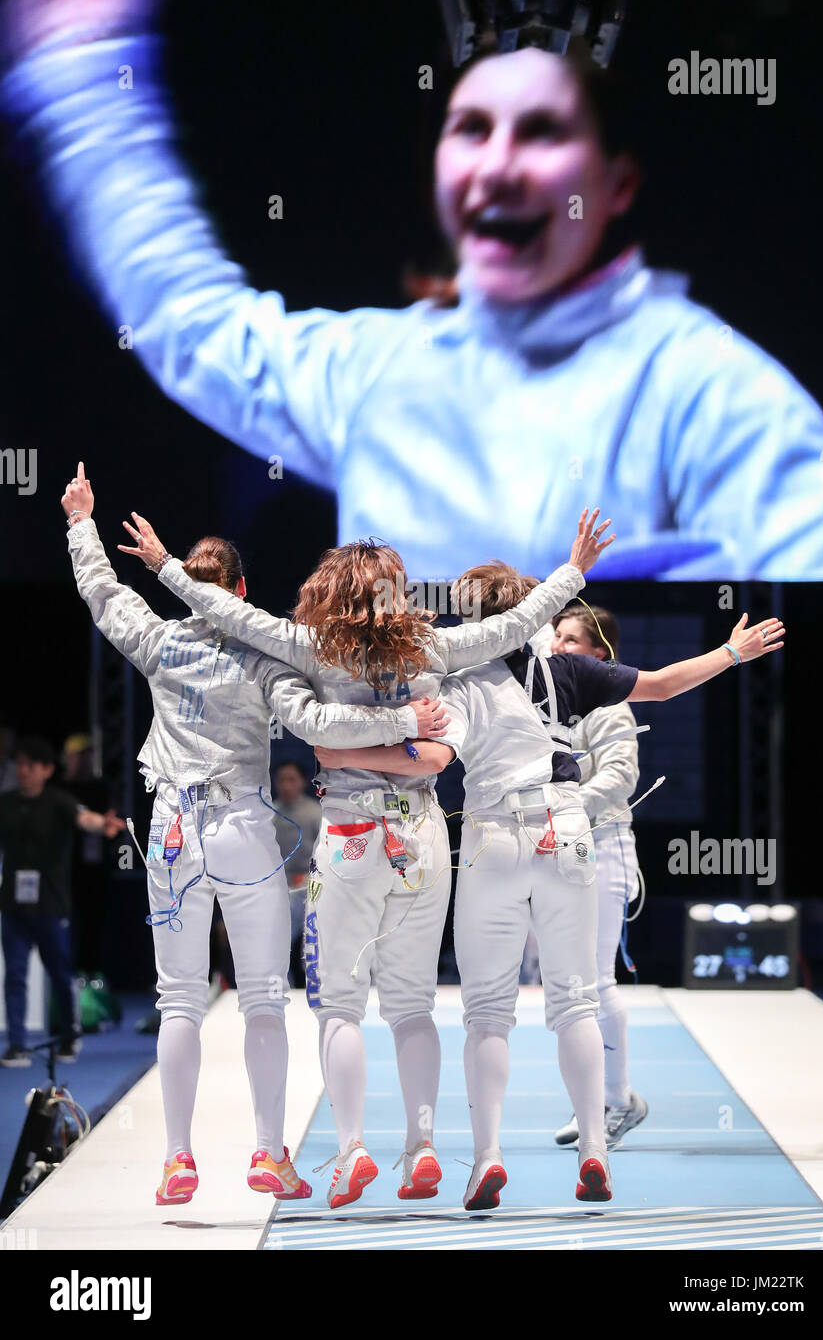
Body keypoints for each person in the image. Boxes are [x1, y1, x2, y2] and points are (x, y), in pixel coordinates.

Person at [1, 0, 823, 579]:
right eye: (472, 129)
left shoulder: (717, 389)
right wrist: (83, 71)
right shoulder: (375, 370)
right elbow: (184, 321)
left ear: (616, 180)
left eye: (544, 133)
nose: (499, 165)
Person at [120, 504, 613, 1207]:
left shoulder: (310, 647)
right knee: (413, 1007)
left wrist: (166, 566)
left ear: (331, 590)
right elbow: (512, 625)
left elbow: (233, 622)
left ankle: (352, 1148)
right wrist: (573, 570)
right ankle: (421, 1148)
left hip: (349, 838)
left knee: (340, 1008)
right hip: (422, 838)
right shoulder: (430, 651)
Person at [314, 565, 785, 1207]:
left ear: (472, 617)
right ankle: (595, 1149)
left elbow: (426, 758)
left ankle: (486, 1160)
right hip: (567, 831)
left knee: (487, 1013)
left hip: (495, 838)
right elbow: (663, 686)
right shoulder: (570, 670)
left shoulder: (455, 677)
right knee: (576, 1002)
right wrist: (733, 652)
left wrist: (340, 752)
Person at [60, 462, 446, 1208]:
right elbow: (320, 727)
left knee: (178, 999)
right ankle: (269, 1155)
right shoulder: (265, 653)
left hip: (171, 829)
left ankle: (178, 1160)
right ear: (238, 593)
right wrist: (403, 722)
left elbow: (103, 593)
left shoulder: (155, 640)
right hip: (240, 825)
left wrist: (81, 522)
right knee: (265, 997)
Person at [536, 605, 649, 1148]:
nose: (558, 646)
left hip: (603, 847)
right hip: (560, 850)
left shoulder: (611, 703)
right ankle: (595, 1103)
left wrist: (565, 804)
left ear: (600, 654)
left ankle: (618, 1101)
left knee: (596, 979)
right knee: (571, 984)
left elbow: (621, 776)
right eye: (556, 636)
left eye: (572, 640)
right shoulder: (552, 701)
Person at [0, 735, 125, 1068]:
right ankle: (16, 1044)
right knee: (14, 976)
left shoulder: (59, 801)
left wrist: (103, 824)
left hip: (51, 905)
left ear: (46, 770)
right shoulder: (7, 803)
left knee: (60, 971)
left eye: (31, 766)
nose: (24, 771)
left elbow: (85, 819)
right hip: (13, 905)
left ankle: (70, 1035)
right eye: (21, 765)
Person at [62, 733, 111, 977]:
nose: (84, 760)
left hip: (95, 869)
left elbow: (113, 828)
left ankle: (91, 976)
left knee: (94, 924)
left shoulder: (101, 788)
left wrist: (124, 863)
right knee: (66, 925)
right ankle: (67, 976)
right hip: (65, 871)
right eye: (79, 755)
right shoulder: (60, 791)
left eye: (88, 754)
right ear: (68, 758)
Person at [271, 761, 321, 988]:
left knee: (312, 939)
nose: (286, 785)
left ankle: (316, 982)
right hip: (280, 887)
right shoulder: (268, 813)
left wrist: (308, 876)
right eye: (282, 780)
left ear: (301, 782)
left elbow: (324, 851)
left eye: (292, 779)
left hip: (311, 885)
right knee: (278, 939)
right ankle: (282, 984)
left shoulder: (315, 812)